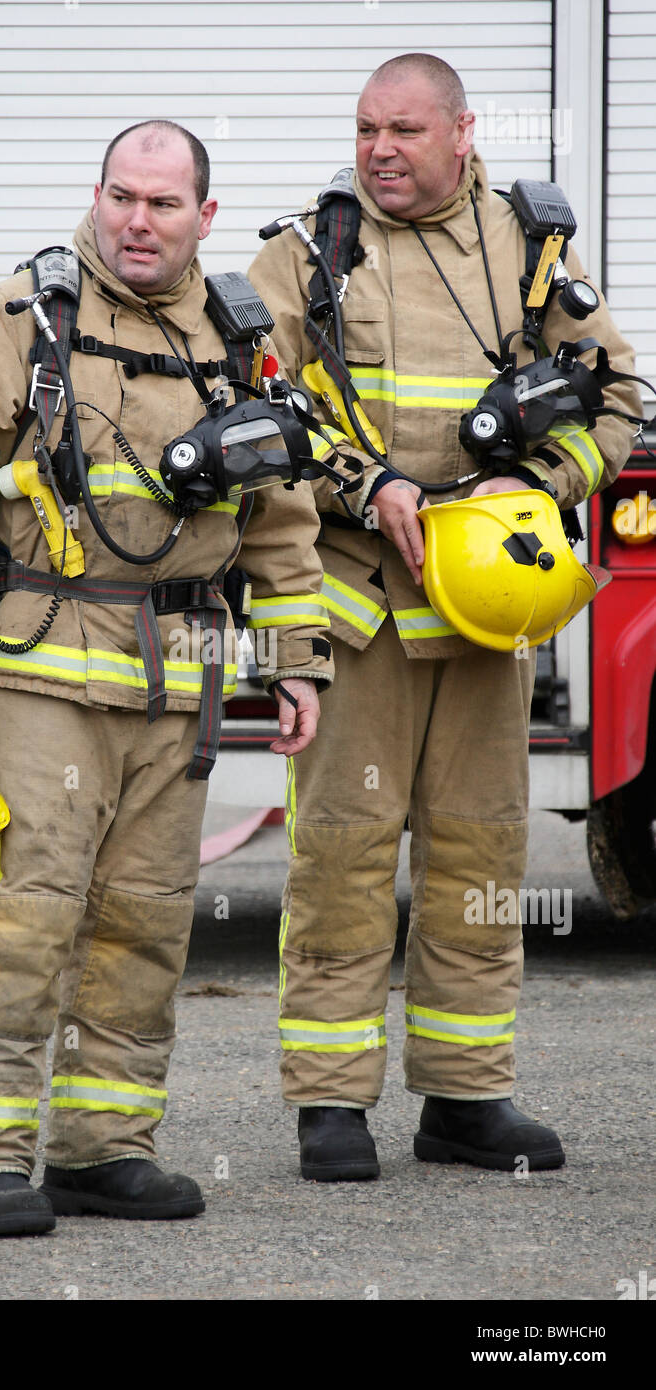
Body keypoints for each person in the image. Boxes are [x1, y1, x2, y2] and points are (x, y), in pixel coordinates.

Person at [0, 120, 333, 1235]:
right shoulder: (19, 320)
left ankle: (101, 1146)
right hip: (37, 668)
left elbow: (279, 510)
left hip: (177, 678)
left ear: (204, 218)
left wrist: (293, 658)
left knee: (144, 922)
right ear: (98, 195)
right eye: (123, 197)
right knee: (27, 914)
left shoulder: (241, 336)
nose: (138, 220)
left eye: (163, 203)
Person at [249, 53, 640, 1180]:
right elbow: (252, 404)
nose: (380, 148)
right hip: (357, 614)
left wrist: (546, 485)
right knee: (339, 856)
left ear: (462, 133)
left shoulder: (531, 248)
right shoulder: (302, 251)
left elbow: (612, 393)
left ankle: (465, 1096)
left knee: (481, 858)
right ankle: (330, 1101)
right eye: (367, 127)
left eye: (405, 130)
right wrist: (363, 485)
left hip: (483, 625)